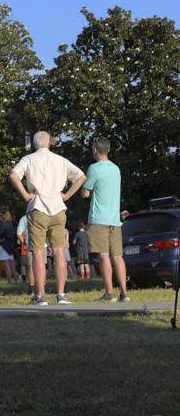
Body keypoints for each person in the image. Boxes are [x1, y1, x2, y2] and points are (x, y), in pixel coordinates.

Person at [9, 131, 86, 306]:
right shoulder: (60, 160)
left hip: (37, 207)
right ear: (49, 143)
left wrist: (26, 195)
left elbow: (13, 175)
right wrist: (66, 195)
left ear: (34, 144)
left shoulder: (28, 159)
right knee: (59, 251)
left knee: (38, 252)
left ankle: (40, 295)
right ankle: (61, 294)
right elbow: (81, 176)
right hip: (58, 209)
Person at [81, 137, 127, 302]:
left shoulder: (94, 168)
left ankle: (109, 293)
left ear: (95, 150)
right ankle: (124, 292)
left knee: (104, 255)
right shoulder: (116, 169)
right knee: (118, 256)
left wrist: (89, 190)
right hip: (114, 220)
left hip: (99, 218)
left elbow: (85, 193)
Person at [0, 212, 18, 284]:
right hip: (11, 246)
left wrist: (1, 239)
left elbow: (1, 235)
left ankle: (9, 281)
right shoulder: (11, 225)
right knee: (12, 264)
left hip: (4, 245)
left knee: (6, 264)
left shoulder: (3, 225)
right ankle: (16, 280)